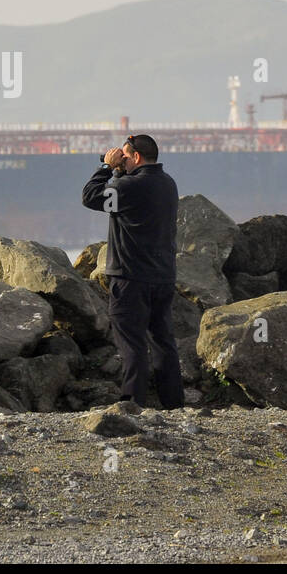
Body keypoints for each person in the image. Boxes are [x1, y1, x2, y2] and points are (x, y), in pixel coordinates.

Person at [81, 134, 183, 408]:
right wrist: (118, 170)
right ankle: (173, 403)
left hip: (130, 278)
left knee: (132, 343)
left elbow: (90, 197)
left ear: (136, 157)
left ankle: (132, 403)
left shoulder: (129, 187)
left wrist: (106, 168)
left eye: (124, 156)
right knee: (163, 341)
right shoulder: (167, 184)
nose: (121, 161)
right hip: (163, 276)